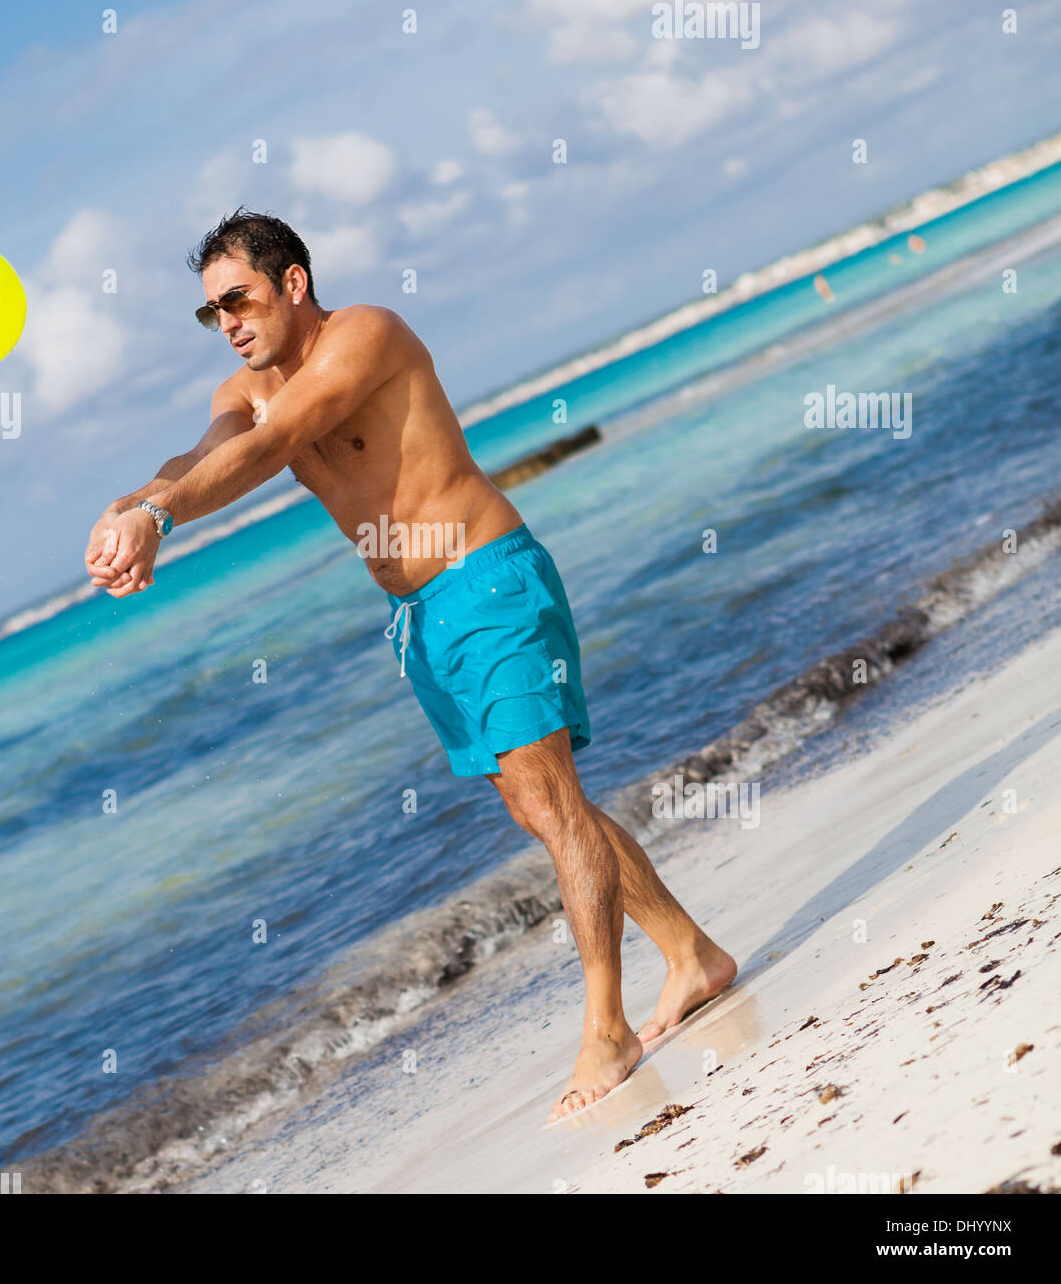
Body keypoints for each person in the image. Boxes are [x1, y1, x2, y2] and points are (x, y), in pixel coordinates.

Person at [85, 209, 736, 1120]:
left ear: (293, 283)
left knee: (549, 799)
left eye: (237, 299)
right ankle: (691, 956)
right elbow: (208, 453)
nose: (227, 322)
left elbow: (274, 446)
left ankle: (606, 1028)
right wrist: (132, 506)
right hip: (418, 616)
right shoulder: (244, 386)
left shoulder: (367, 337)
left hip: (487, 581)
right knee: (540, 806)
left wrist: (160, 520)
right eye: (211, 312)